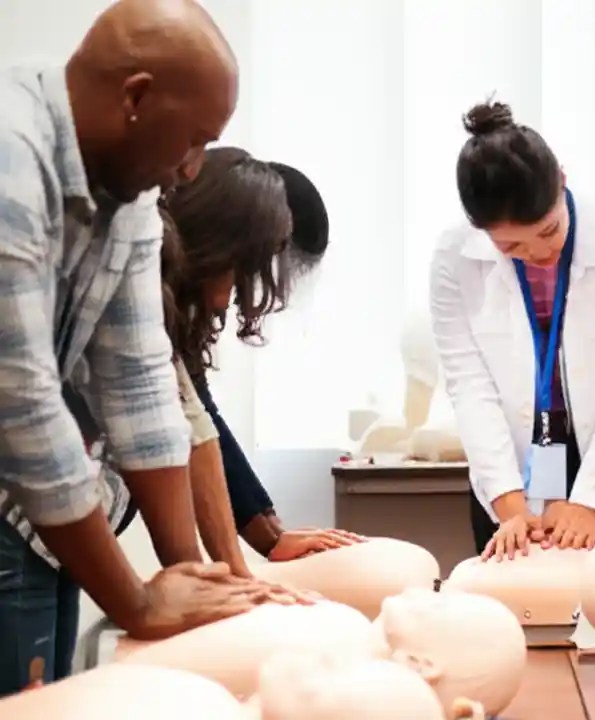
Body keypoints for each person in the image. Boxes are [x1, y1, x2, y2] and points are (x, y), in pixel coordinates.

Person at [0, 0, 280, 697]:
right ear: (136, 98)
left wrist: (194, 580)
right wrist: (137, 603)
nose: (191, 171)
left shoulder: (127, 198)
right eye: (193, 140)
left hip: (29, 505)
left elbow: (142, 385)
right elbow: (22, 400)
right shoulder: (10, 154)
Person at [430, 100, 595, 560]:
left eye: (548, 231)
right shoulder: (453, 257)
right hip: (512, 458)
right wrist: (509, 506)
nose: (537, 254)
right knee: (519, 611)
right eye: (510, 246)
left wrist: (590, 502)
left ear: (562, 181)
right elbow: (468, 386)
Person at [173, 154, 362, 562]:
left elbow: (203, 421)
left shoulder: (178, 307)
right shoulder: (152, 300)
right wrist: (234, 570)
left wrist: (271, 533)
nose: (232, 298)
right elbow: (193, 433)